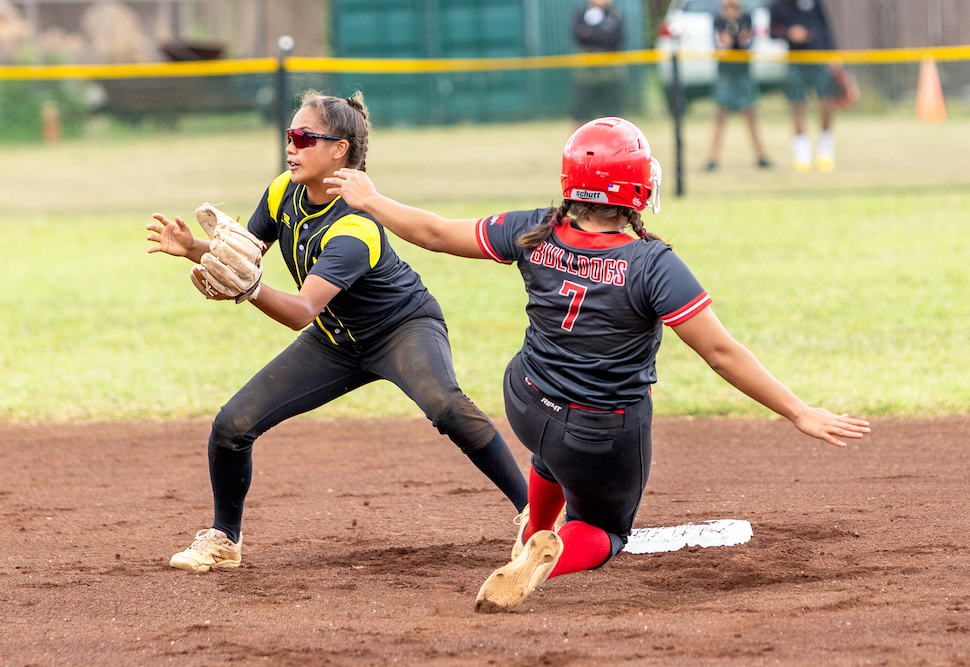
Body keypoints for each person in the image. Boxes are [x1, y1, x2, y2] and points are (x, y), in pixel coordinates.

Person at [324, 117, 870, 612]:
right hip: (598, 432)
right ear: (634, 189)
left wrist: (371, 199)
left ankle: (533, 528)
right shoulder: (652, 263)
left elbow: (436, 233)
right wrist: (798, 411)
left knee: (550, 449)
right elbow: (721, 354)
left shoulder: (534, 228)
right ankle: (545, 555)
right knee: (605, 529)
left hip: (525, 400)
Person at [146, 90, 528, 572]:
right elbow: (245, 259)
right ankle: (224, 540)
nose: (292, 146)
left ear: (339, 150)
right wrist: (194, 248)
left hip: (401, 329)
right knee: (231, 426)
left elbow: (301, 309)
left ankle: (534, 513)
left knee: (446, 406)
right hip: (336, 341)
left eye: (305, 138)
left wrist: (250, 290)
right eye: (290, 135)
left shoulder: (356, 226)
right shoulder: (284, 191)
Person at [769, 0, 842, 172]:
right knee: (797, 105)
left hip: (818, 58)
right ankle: (802, 155)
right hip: (796, 60)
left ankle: (825, 151)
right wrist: (789, 33)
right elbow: (773, 32)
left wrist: (833, 55)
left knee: (826, 102)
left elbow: (825, 27)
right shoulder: (778, 4)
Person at [704, 0, 771, 171]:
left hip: (742, 71)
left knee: (750, 113)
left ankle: (761, 155)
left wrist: (735, 41)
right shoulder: (718, 18)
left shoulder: (746, 17)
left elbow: (747, 41)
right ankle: (713, 158)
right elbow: (719, 43)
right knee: (721, 114)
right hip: (725, 71)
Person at [572, 0, 627, 126]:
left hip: (611, 70)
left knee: (612, 109)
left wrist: (590, 33)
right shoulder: (582, 13)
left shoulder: (616, 14)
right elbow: (577, 34)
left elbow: (617, 38)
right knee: (582, 108)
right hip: (587, 70)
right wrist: (603, 33)